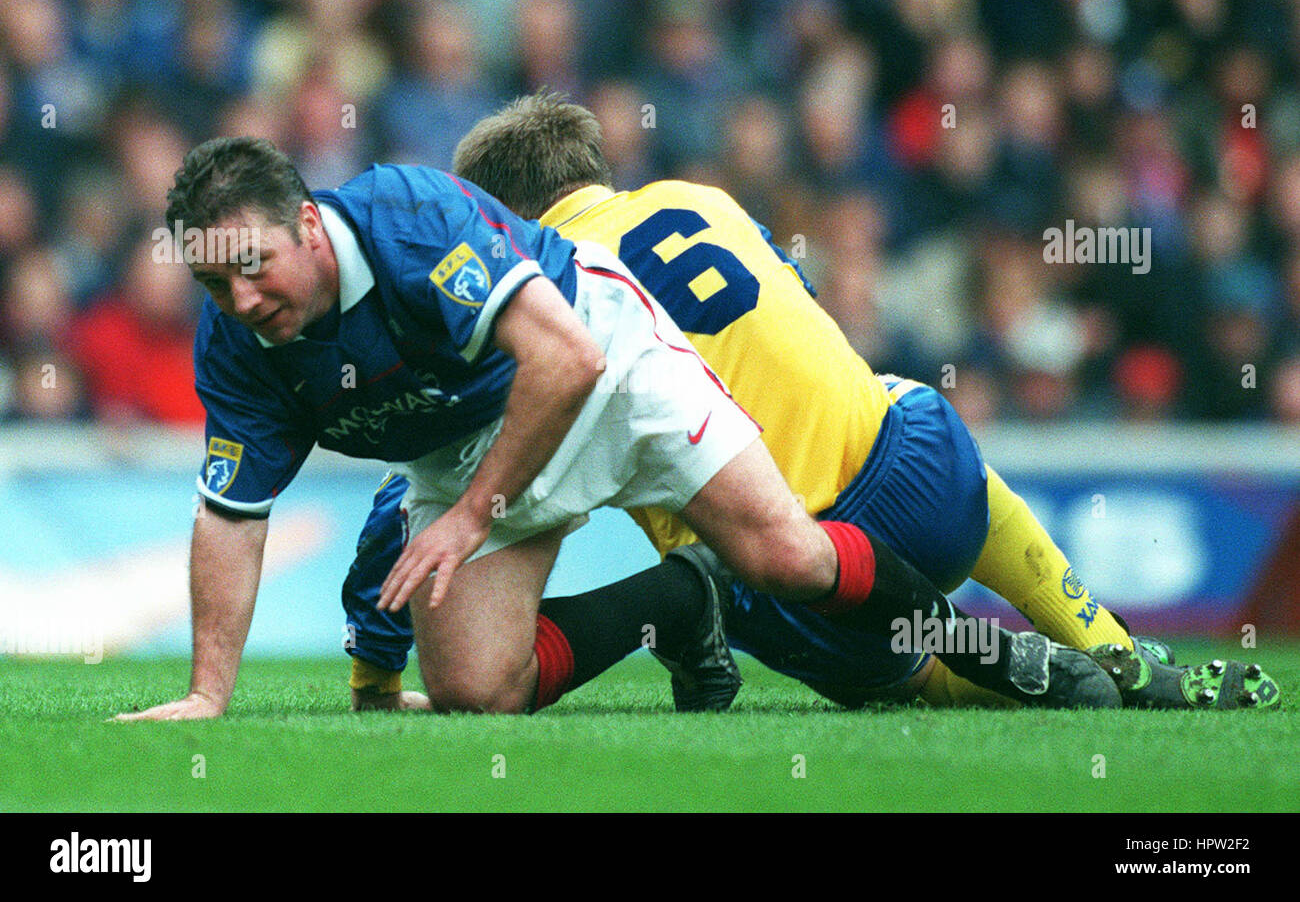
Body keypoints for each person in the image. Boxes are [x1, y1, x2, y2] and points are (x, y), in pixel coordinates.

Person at [341, 92, 1278, 714]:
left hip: (801, 573)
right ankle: (1112, 646)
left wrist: (376, 660)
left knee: (802, 611)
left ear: (496, 212)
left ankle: (1011, 680)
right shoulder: (700, 197)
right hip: (927, 480)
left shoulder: (534, 307)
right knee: (898, 397)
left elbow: (422, 493)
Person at [117, 136, 1106, 722]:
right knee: (476, 694)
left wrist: (465, 519)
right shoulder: (238, 342)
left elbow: (566, 361)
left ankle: (994, 651)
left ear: (302, 221)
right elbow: (232, 514)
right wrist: (209, 693)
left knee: (789, 559)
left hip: (602, 356)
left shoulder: (407, 215)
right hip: (471, 445)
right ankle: (674, 603)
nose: (239, 298)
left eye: (252, 264)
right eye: (213, 281)